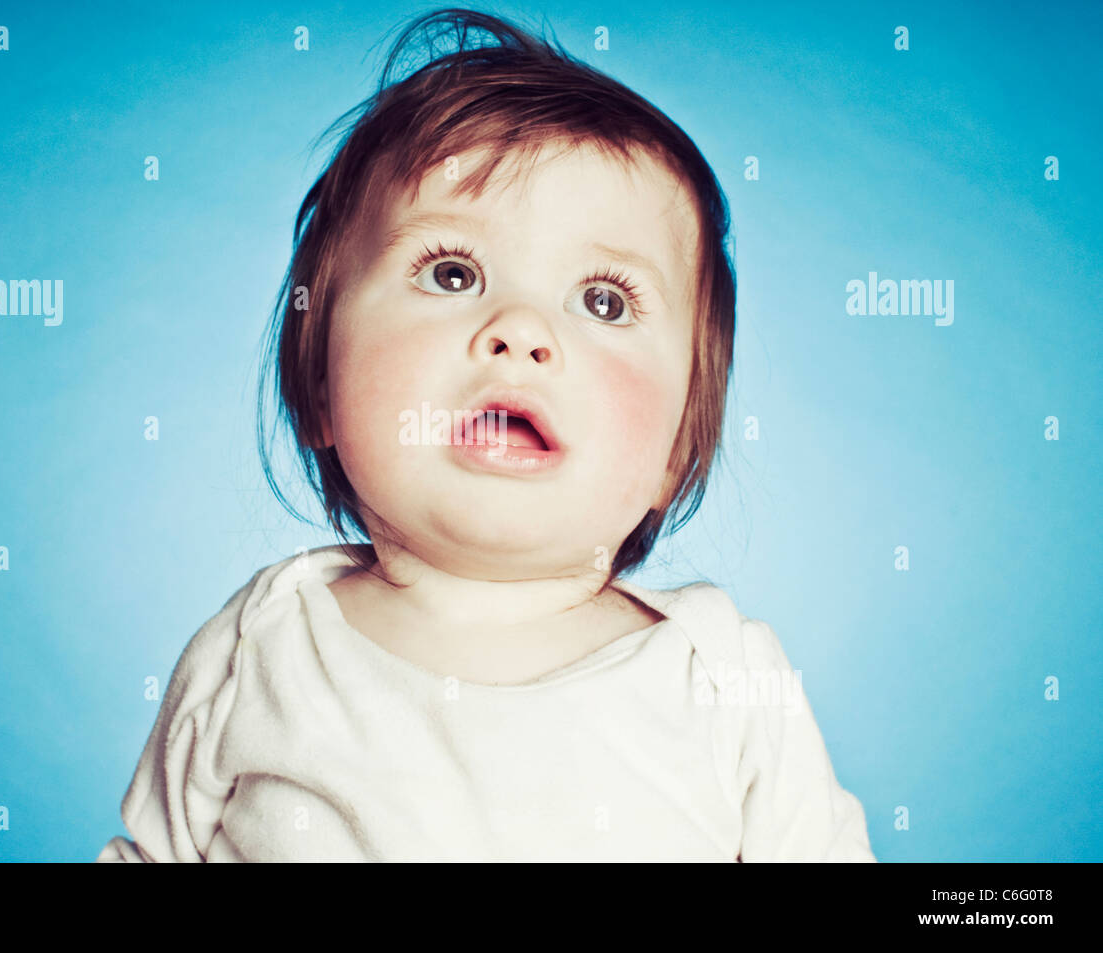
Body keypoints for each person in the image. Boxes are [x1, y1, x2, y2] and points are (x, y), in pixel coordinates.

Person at [97, 7, 875, 862]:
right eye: (452, 272)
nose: (520, 330)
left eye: (603, 301)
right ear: (319, 381)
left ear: (678, 449)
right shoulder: (263, 646)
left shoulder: (724, 681)